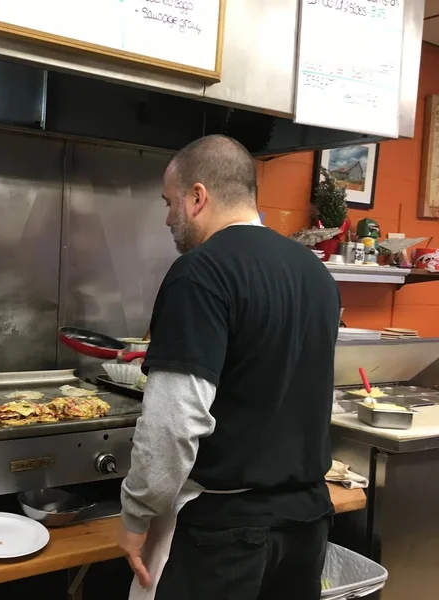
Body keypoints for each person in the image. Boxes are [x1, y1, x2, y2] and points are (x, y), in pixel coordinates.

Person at [118, 135, 340, 600]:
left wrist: (137, 515)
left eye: (168, 201)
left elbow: (174, 423)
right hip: (307, 524)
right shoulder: (316, 274)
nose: (167, 217)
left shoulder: (200, 272)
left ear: (197, 197)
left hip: (226, 534)